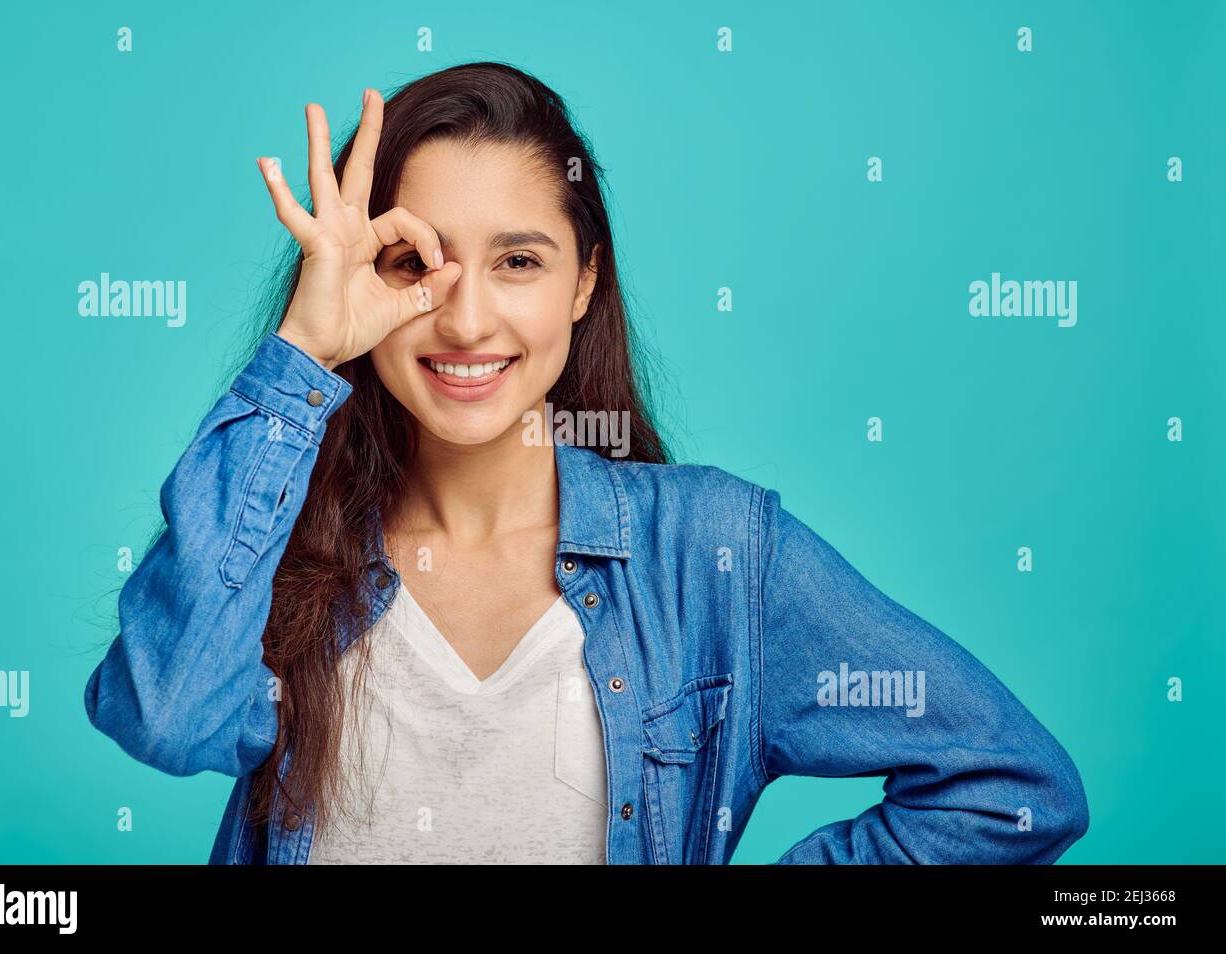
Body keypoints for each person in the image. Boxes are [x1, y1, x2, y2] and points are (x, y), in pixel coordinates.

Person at [83, 61, 1089, 865]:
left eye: (517, 261)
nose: (465, 318)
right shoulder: (279, 543)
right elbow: (165, 718)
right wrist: (305, 353)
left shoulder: (712, 555)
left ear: (582, 283)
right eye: (415, 263)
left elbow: (1012, 788)